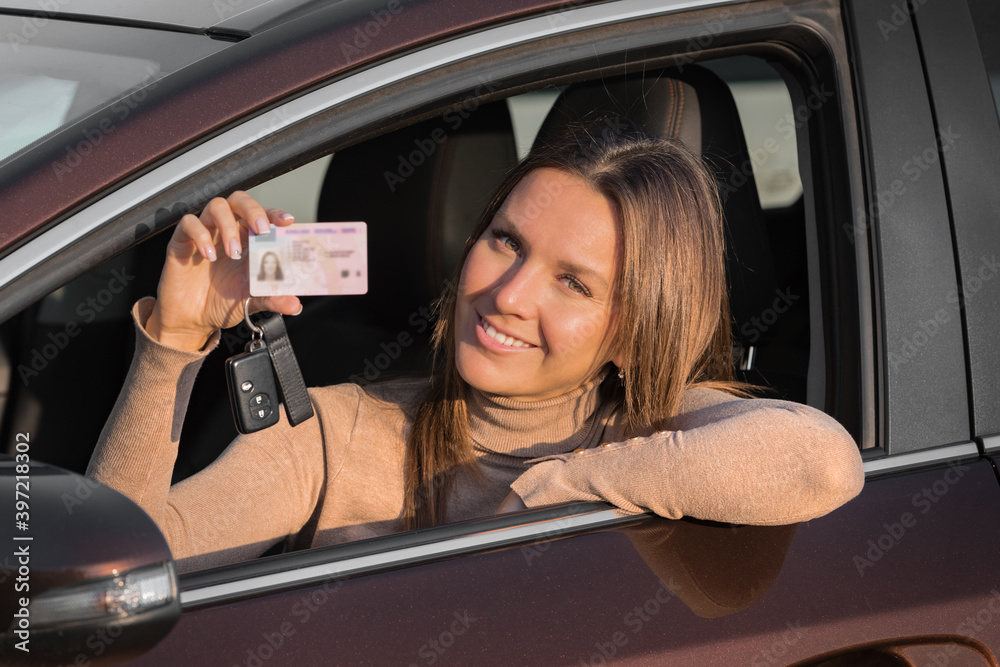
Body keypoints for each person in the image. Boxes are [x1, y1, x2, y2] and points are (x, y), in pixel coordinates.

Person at [87, 124, 864, 572]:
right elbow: (105, 568)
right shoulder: (337, 435)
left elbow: (821, 460)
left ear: (632, 334)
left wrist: (573, 483)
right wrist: (177, 340)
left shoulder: (657, 430)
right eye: (505, 240)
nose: (508, 294)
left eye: (575, 283)